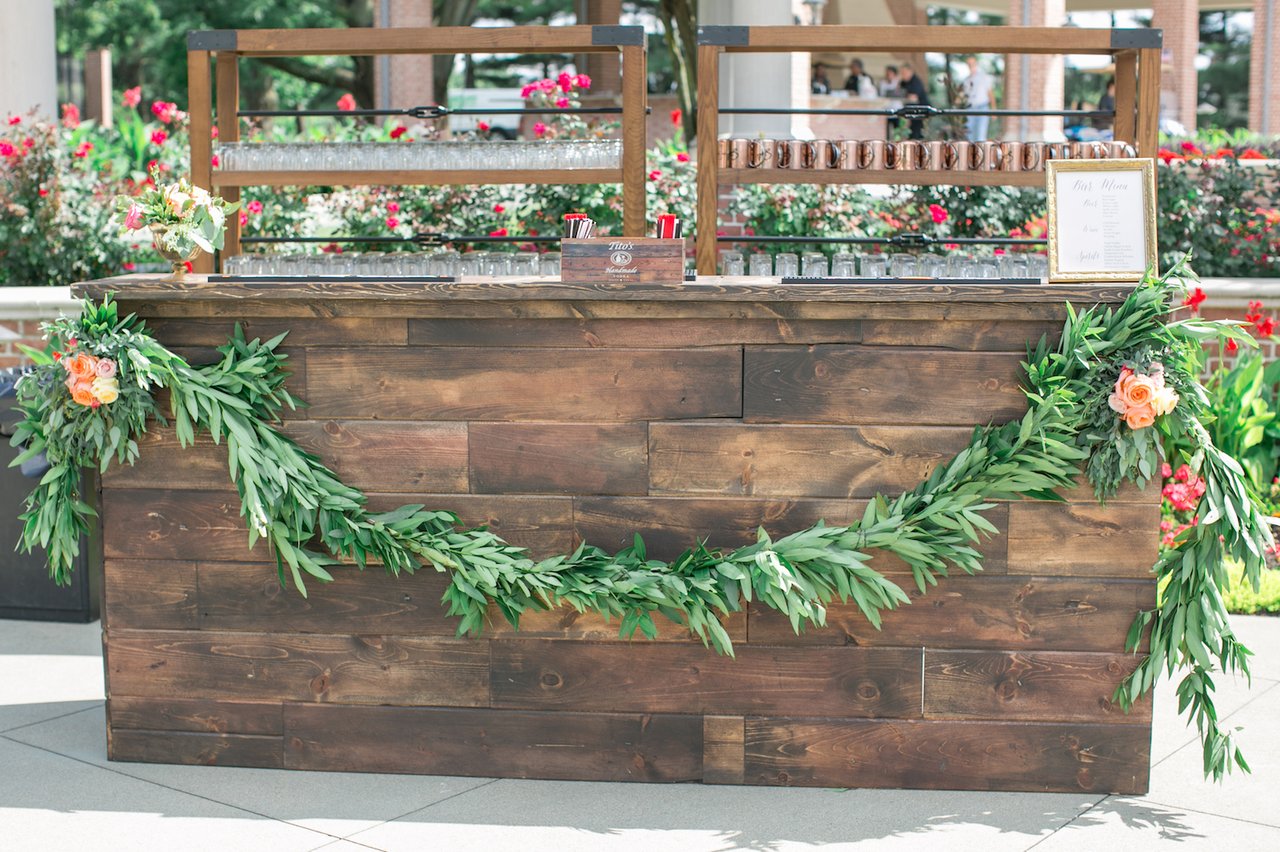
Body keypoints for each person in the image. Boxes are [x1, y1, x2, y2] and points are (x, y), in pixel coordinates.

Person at [961, 55, 994, 141]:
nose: (971, 66)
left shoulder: (984, 77)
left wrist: (993, 110)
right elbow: (963, 96)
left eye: (972, 63)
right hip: (970, 109)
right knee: (969, 136)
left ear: (976, 64)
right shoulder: (966, 80)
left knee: (980, 136)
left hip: (982, 108)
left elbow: (990, 93)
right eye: (969, 64)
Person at [898, 63, 930, 139]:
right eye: (902, 73)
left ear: (910, 72)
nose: (903, 75)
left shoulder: (915, 81)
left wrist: (906, 96)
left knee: (916, 133)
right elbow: (898, 92)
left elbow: (914, 97)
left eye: (904, 72)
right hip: (910, 110)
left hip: (920, 110)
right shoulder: (904, 82)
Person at [880, 65, 903, 135]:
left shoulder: (898, 82)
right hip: (887, 109)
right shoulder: (883, 83)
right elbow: (882, 95)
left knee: (897, 131)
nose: (888, 75)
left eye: (890, 73)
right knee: (887, 132)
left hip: (897, 109)